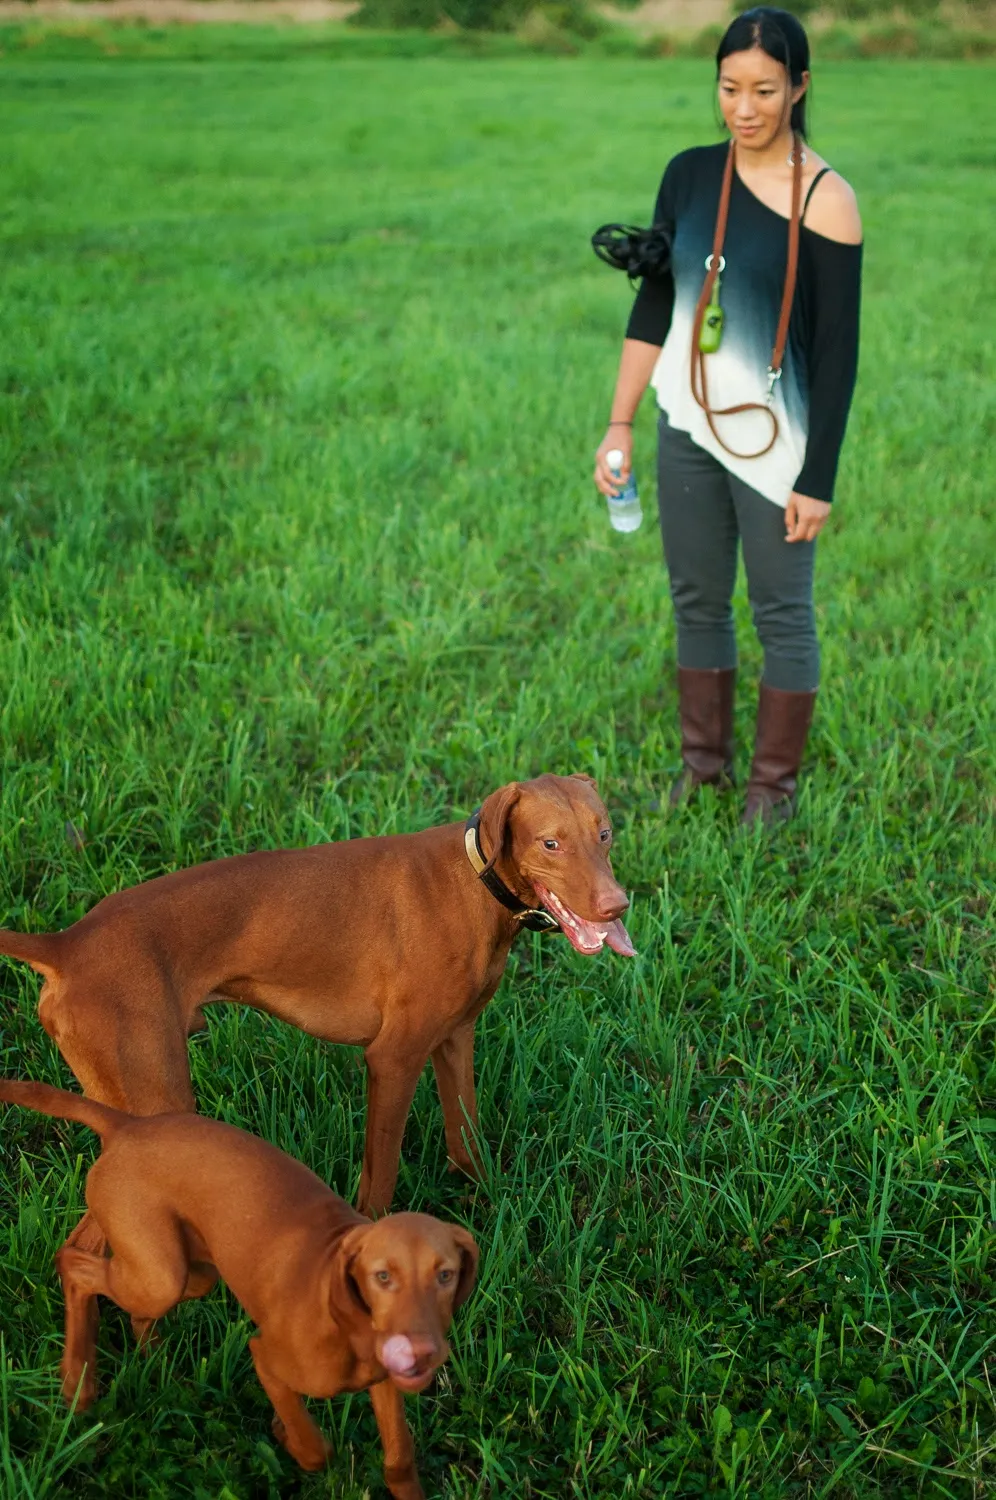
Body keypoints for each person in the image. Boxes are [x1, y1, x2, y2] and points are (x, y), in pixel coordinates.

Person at [594, 6, 862, 825]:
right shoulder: (688, 174)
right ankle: (701, 769)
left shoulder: (826, 197)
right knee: (696, 599)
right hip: (687, 427)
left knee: (783, 611)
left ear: (800, 88)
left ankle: (770, 792)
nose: (745, 108)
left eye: (765, 90)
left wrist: (817, 479)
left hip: (778, 444)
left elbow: (841, 352)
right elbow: (655, 302)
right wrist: (620, 424)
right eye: (730, 88)